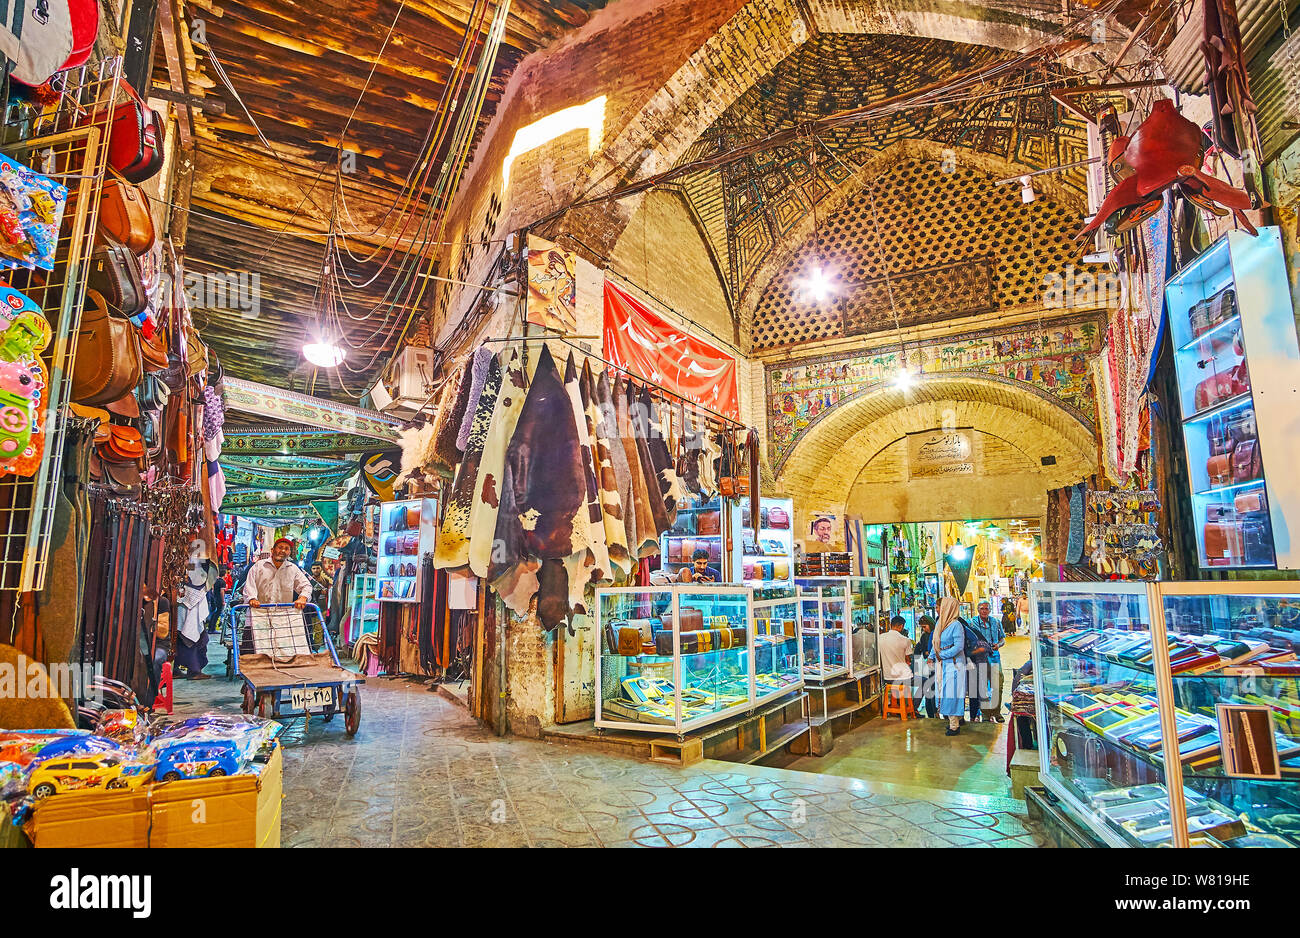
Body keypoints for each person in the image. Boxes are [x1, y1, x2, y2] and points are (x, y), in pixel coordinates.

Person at [929, 597, 967, 735]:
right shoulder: (940, 622)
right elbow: (936, 641)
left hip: (954, 664)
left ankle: (954, 725)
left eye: (939, 607)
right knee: (945, 692)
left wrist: (942, 655)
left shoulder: (956, 625)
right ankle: (956, 719)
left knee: (952, 693)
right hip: (944, 663)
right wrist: (932, 656)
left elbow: (958, 646)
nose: (937, 610)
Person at [243, 537, 312, 608]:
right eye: (280, 547)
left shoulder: (293, 568)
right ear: (272, 550)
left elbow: (306, 585)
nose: (283, 551)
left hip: (284, 615)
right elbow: (249, 585)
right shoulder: (259, 566)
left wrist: (303, 597)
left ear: (289, 553)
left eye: (286, 549)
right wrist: (252, 599)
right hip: (259, 614)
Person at [968, 600, 1006, 723]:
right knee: (982, 685)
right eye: (982, 608)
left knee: (997, 683)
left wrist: (998, 645)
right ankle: (985, 713)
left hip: (994, 656)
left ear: (990, 610)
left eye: (986, 609)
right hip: (980, 658)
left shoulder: (996, 622)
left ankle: (996, 711)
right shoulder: (972, 623)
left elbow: (1003, 640)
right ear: (978, 610)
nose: (984, 611)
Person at [913, 614, 938, 718]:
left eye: (925, 626)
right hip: (930, 666)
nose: (924, 629)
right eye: (922, 627)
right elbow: (924, 653)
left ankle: (935, 713)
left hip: (936, 665)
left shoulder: (936, 633)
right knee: (930, 691)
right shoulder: (925, 636)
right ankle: (932, 714)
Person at [878, 615, 914, 683]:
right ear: (901, 626)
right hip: (903, 678)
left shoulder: (880, 637)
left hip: (887, 678)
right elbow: (908, 661)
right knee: (923, 681)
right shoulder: (905, 640)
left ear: (890, 625)